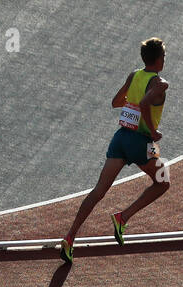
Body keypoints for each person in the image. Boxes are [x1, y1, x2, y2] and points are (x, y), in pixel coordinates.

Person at [59, 37, 171, 264]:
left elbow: (116, 101)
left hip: (120, 138)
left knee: (98, 190)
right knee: (163, 183)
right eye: (164, 56)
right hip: (141, 141)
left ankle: (70, 237)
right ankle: (123, 217)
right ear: (159, 59)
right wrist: (152, 130)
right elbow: (145, 104)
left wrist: (133, 102)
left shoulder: (134, 75)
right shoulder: (160, 83)